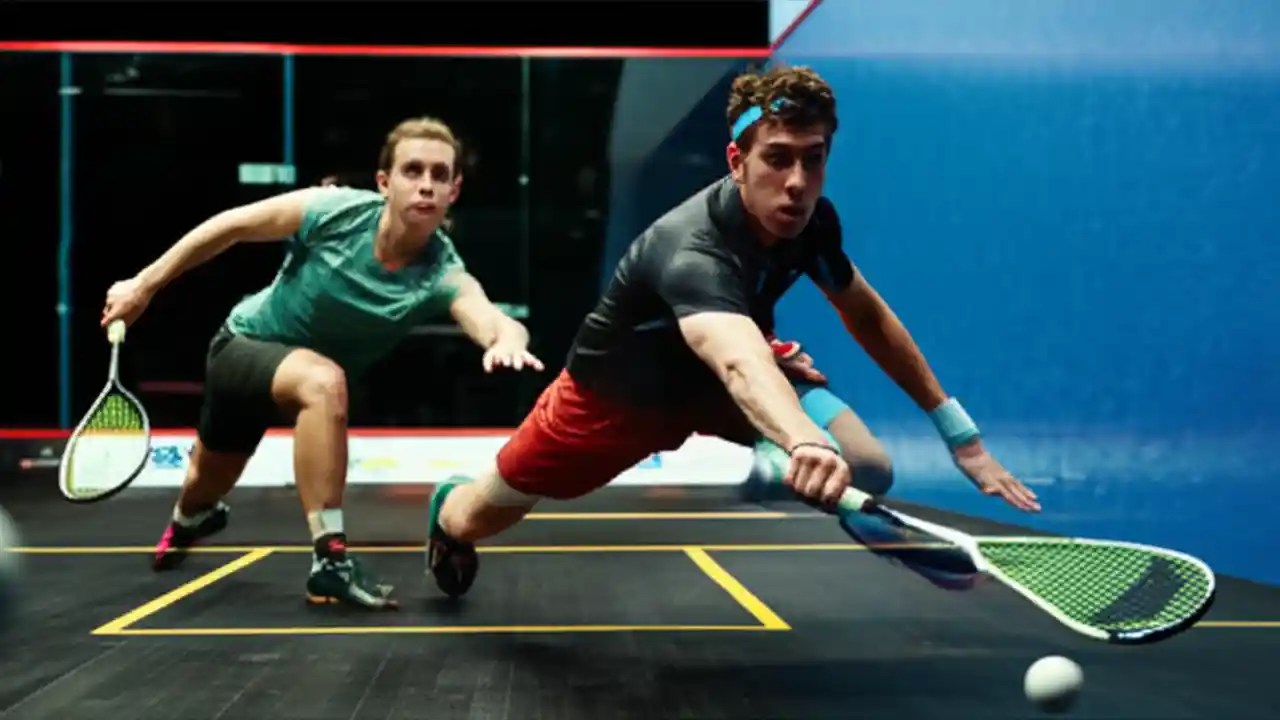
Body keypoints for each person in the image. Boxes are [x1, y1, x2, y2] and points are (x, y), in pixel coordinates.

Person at [422, 64, 1041, 600]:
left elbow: (867, 314)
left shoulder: (812, 222)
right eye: (777, 158)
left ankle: (793, 471)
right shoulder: (687, 247)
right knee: (478, 514)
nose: (797, 181)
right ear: (737, 161)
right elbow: (739, 360)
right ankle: (445, 516)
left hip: (725, 382)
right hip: (612, 403)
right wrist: (802, 441)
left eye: (813, 158)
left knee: (867, 465)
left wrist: (959, 434)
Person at [99, 117, 543, 609]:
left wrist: (505, 341)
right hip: (242, 349)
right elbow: (230, 226)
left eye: (440, 175)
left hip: (305, 383)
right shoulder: (334, 212)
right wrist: (143, 285)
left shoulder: (442, 272)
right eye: (412, 170)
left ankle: (259, 540)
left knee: (295, 407)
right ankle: (251, 537)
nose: (425, 184)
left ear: (453, 190)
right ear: (384, 182)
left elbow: (490, 318)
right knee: (239, 452)